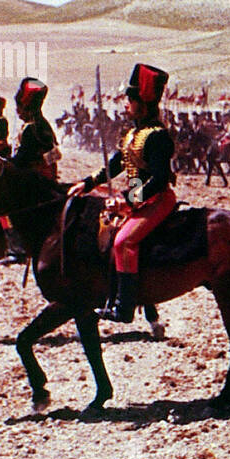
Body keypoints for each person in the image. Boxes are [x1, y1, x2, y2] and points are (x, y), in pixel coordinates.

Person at [69, 64, 175, 323]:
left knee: (123, 242)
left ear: (144, 103)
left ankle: (124, 308)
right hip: (138, 199)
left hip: (157, 199)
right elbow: (115, 165)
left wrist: (127, 199)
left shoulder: (158, 136)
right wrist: (88, 183)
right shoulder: (133, 134)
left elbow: (159, 180)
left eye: (131, 100)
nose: (126, 104)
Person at [0, 78, 60, 265]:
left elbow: (21, 160)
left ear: (27, 107)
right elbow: (55, 154)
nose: (17, 112)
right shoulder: (43, 124)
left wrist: (4, 162)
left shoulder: (31, 129)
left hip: (32, 179)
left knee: (3, 205)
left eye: (19, 108)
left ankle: (16, 248)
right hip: (44, 175)